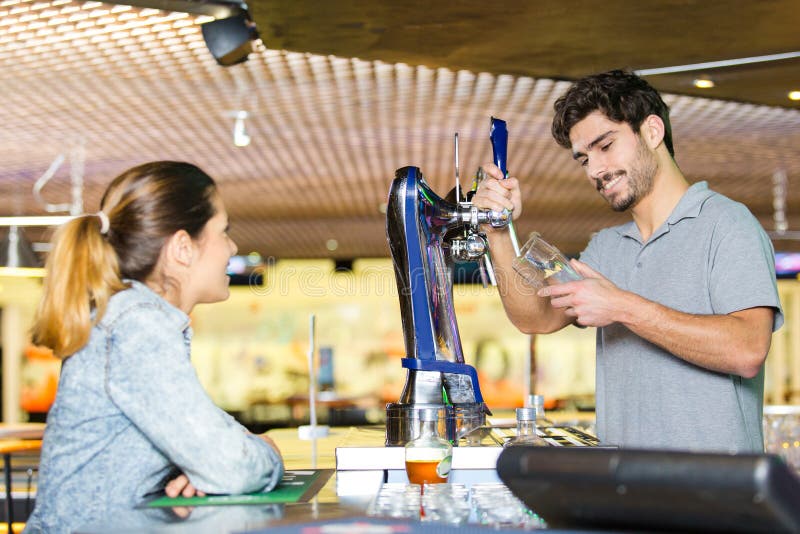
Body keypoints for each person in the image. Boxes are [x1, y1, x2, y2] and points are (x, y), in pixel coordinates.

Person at [473, 70, 783, 452]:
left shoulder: (727, 225)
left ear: (652, 132)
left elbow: (747, 350)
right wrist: (498, 231)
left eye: (605, 146)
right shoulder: (607, 247)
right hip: (625, 493)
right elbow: (534, 317)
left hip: (713, 500)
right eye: (584, 158)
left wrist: (620, 306)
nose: (595, 170)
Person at [24, 161, 284, 533]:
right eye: (223, 231)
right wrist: (269, 453)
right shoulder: (136, 325)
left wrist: (199, 463)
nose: (233, 247)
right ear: (182, 247)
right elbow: (236, 465)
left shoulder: (135, 318)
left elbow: (220, 445)